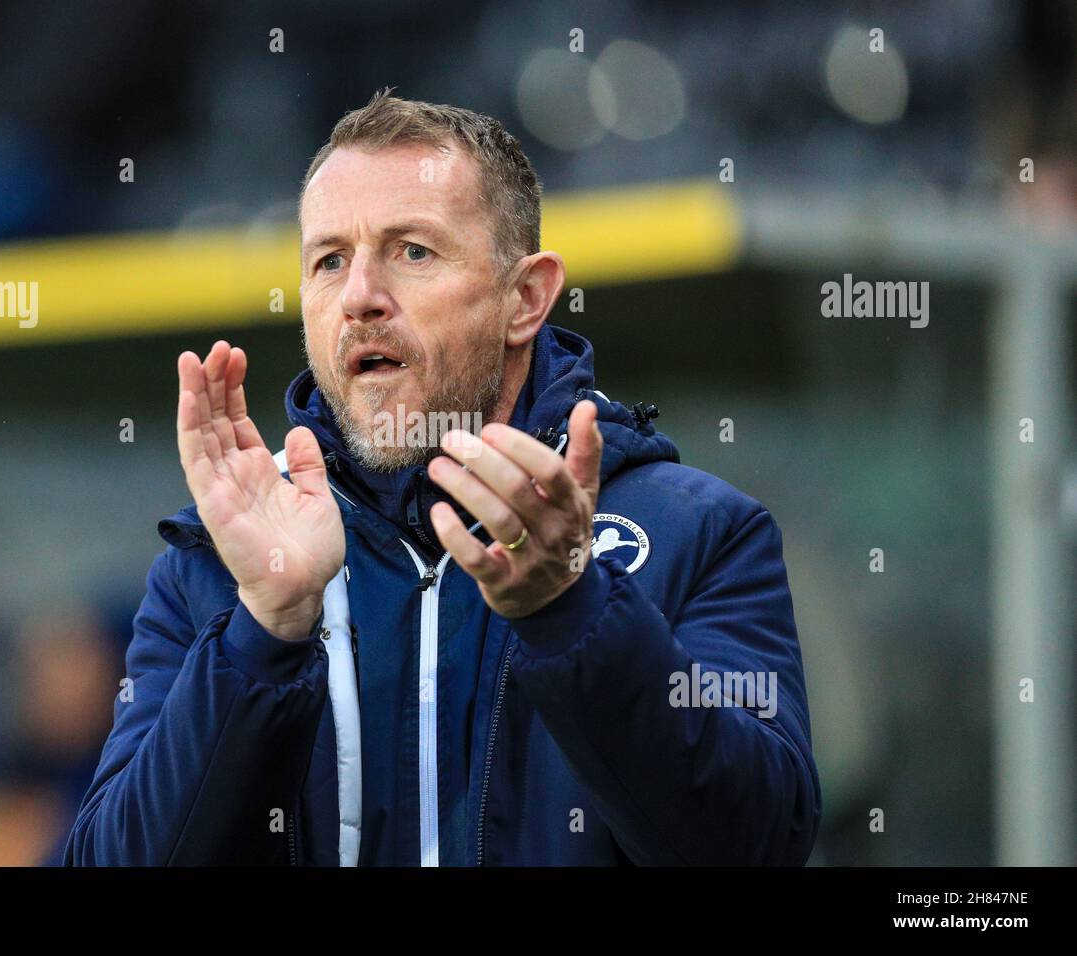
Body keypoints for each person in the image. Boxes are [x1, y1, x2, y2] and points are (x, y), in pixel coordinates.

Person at [64, 89, 821, 866]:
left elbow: (756, 846)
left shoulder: (697, 533)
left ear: (525, 298)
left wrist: (572, 615)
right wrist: (267, 631)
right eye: (330, 261)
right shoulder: (215, 570)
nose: (359, 297)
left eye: (412, 251)